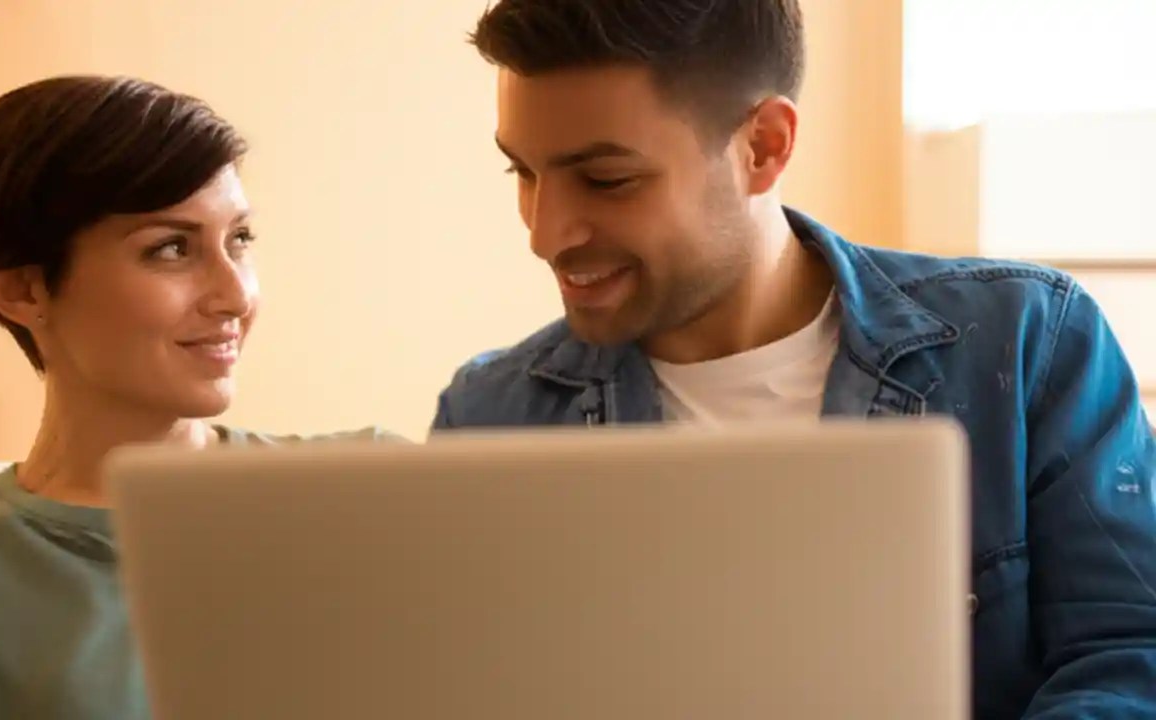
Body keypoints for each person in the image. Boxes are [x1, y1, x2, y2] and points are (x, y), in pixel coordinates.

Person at [431, 1, 1156, 717]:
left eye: (607, 181)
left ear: (764, 146)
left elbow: (1132, 661)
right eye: (522, 172)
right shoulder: (489, 418)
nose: (545, 233)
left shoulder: (1028, 344)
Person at [0, 75, 385, 719]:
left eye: (240, 240)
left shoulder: (375, 489)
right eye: (172, 248)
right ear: (24, 291)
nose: (235, 296)